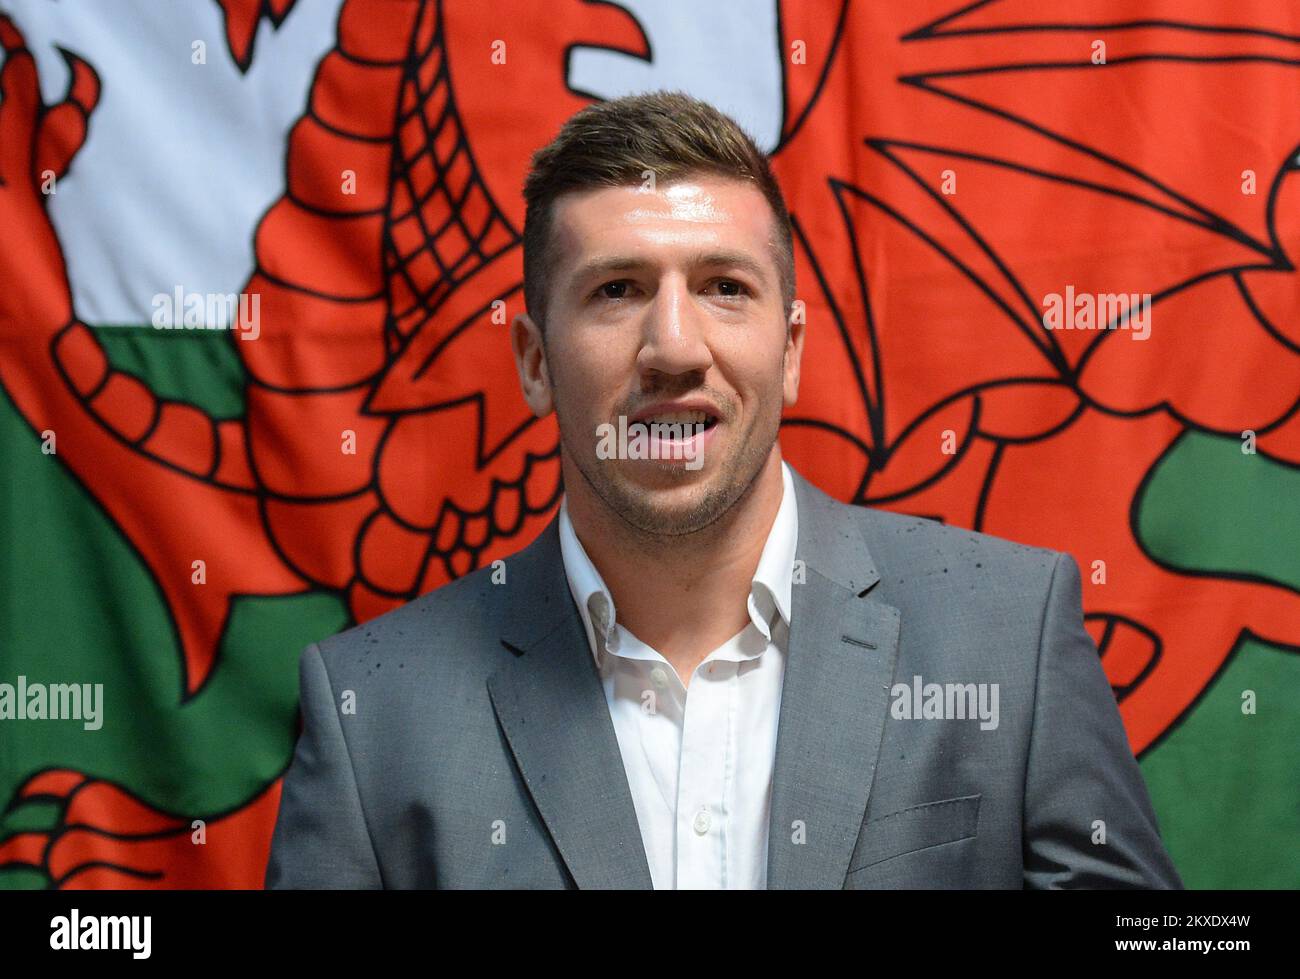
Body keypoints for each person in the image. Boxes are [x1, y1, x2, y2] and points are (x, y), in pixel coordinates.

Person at [265, 90, 1181, 890]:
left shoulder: (1008, 637)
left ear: (789, 352)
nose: (674, 346)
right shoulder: (372, 715)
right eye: (618, 289)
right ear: (536, 362)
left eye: (723, 287)